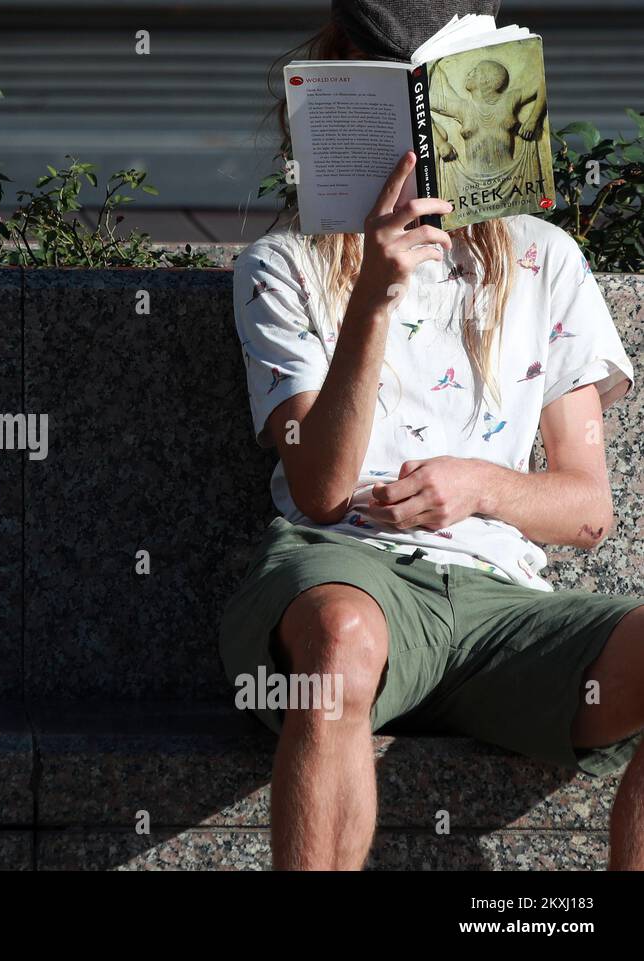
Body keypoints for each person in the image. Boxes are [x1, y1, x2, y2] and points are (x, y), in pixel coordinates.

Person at [221, 0, 644, 870]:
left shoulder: (544, 258)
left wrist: (484, 486)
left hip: (502, 602)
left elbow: (589, 508)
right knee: (342, 642)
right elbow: (319, 490)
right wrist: (373, 293)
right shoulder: (282, 268)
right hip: (344, 568)